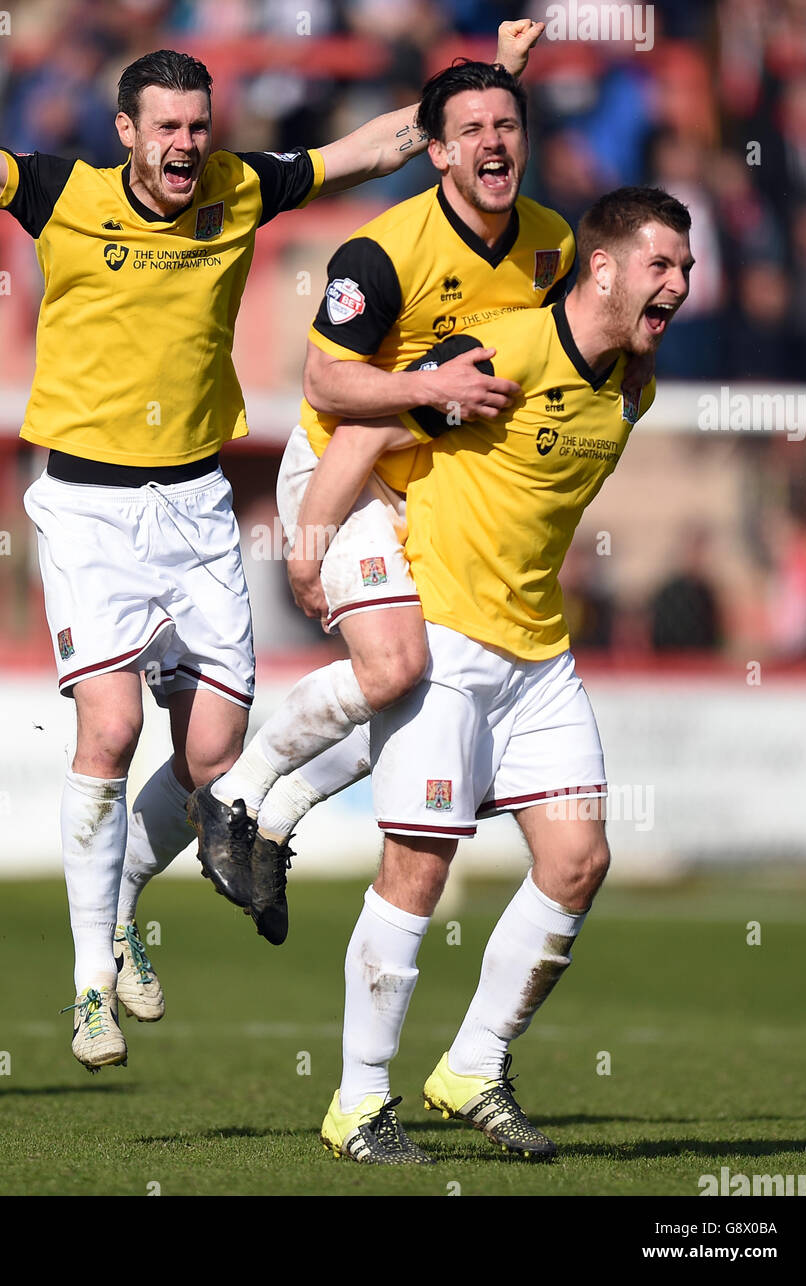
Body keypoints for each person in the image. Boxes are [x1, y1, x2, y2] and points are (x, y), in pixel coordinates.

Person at [0, 0, 543, 1070]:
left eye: (196, 126)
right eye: (165, 127)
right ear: (125, 132)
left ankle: (119, 896)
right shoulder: (58, 195)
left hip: (196, 502)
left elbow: (366, 152)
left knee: (212, 756)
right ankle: (88, 985)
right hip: (84, 503)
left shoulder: (237, 188)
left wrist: (489, 86)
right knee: (111, 731)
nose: (185, 144)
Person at [286, 187, 693, 1162]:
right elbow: (365, 431)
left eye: (682, 268)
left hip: (536, 651)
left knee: (576, 862)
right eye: (660, 266)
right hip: (449, 637)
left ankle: (470, 1065)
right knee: (420, 867)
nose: (677, 287)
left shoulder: (634, 380)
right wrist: (306, 552)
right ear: (600, 269)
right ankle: (356, 1102)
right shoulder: (498, 350)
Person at [189, 57, 573, 945]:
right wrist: (312, 533)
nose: (492, 143)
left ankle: (271, 817)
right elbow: (326, 384)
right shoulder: (383, 248)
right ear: (435, 152)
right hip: (346, 472)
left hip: (440, 489)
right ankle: (237, 795)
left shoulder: (550, 242)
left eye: (506, 126)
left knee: (442, 692)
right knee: (397, 668)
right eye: (470, 130)